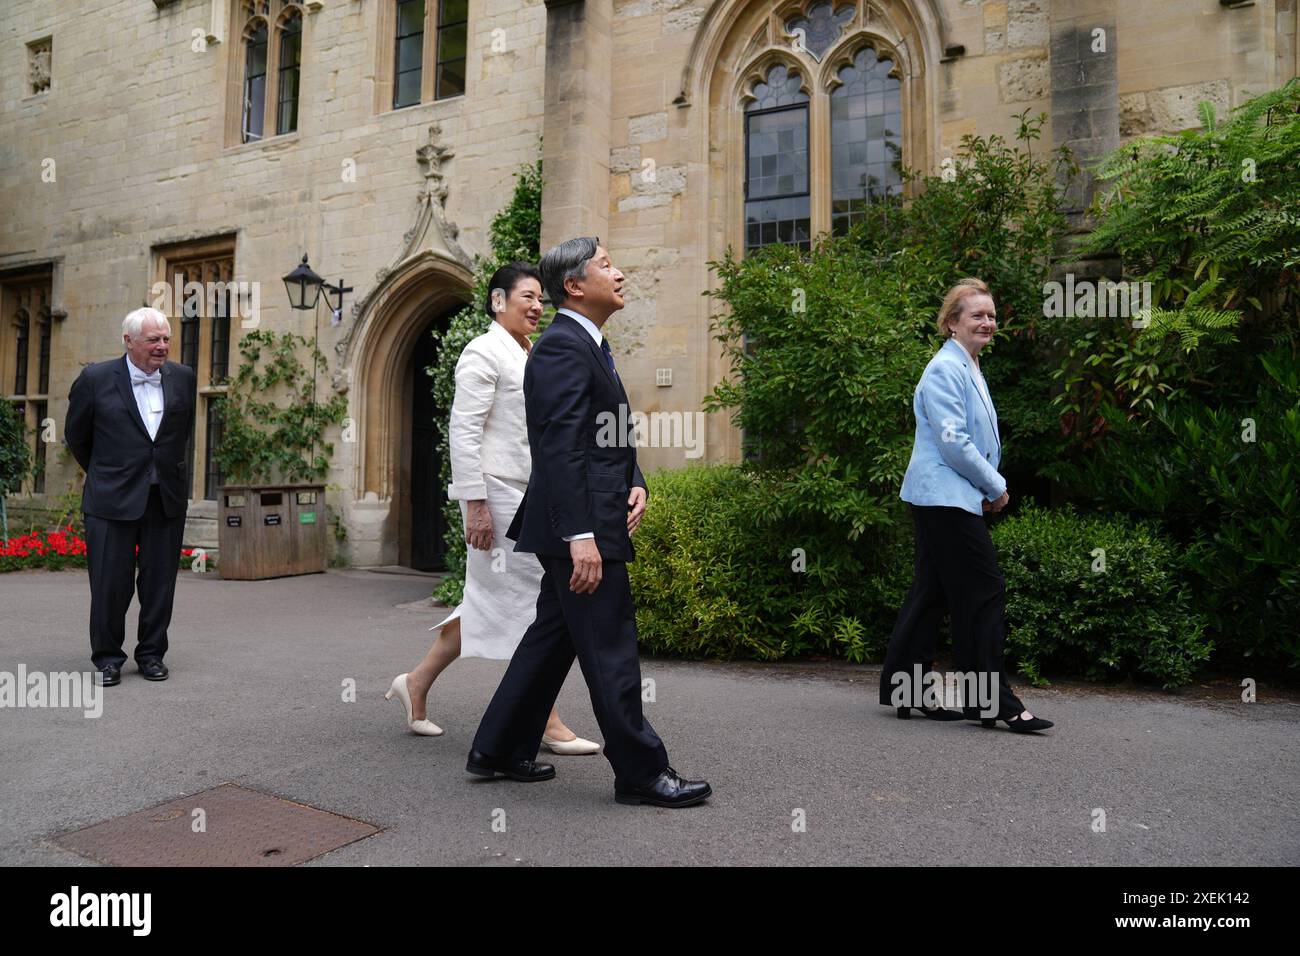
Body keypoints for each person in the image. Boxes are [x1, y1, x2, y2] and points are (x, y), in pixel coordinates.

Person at [466, 237, 711, 807]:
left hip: (588, 516)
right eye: (606, 265)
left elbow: (606, 435)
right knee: (610, 647)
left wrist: (636, 481)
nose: (619, 273)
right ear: (574, 286)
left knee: (551, 641)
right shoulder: (560, 348)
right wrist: (582, 536)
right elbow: (560, 450)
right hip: (579, 527)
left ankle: (498, 748)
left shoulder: (588, 344)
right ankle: (642, 773)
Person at [386, 263, 599, 755]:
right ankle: (546, 720)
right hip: (497, 495)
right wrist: (475, 505)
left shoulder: (530, 352)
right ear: (497, 301)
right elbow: (463, 431)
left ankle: (414, 684)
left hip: (529, 491)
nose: (536, 306)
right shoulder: (482, 351)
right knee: (530, 603)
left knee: (488, 603)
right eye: (526, 296)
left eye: (540, 300)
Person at [878, 278, 1053, 733]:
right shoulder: (945, 369)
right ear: (952, 323)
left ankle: (907, 689)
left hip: (950, 497)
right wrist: (994, 486)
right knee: (984, 591)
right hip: (943, 498)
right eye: (977, 315)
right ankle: (994, 702)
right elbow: (954, 443)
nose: (988, 322)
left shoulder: (968, 365)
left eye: (992, 315)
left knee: (932, 593)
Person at [64, 307, 197, 686]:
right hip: (110, 501)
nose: (162, 346)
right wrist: (108, 474)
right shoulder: (95, 379)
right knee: (110, 583)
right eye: (153, 339)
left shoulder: (183, 378)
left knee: (159, 584)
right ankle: (107, 658)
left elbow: (181, 434)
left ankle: (152, 654)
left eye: (166, 339)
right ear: (129, 341)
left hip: (164, 498)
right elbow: (76, 437)